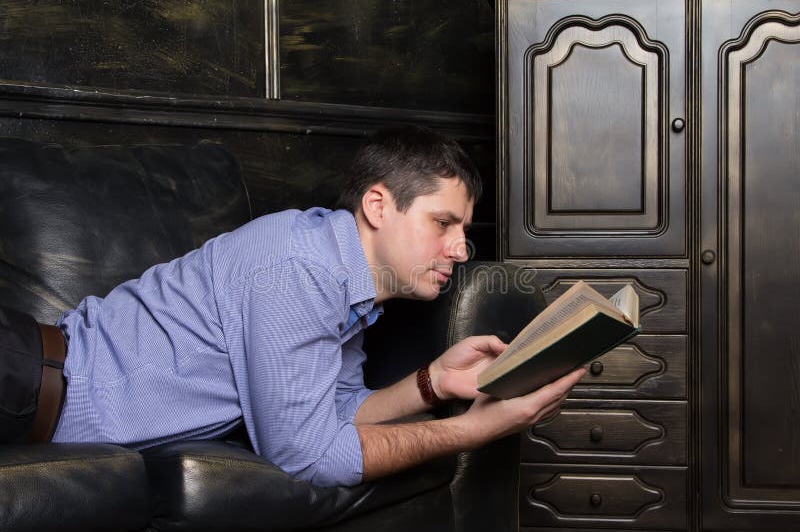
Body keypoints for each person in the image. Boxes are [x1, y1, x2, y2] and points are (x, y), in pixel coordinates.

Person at [0, 125, 584, 487]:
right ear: (379, 206)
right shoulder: (300, 269)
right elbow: (308, 458)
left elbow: (336, 411)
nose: (461, 247)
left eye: (463, 229)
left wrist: (434, 383)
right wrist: (473, 430)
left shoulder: (349, 284)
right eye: (443, 222)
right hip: (25, 378)